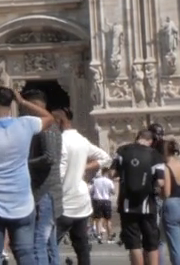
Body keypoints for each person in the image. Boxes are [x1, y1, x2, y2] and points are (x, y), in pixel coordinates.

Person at [0, 88, 53, 265]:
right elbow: (49, 118)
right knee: (26, 253)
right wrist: (23, 102)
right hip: (22, 201)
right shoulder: (25, 124)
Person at [55, 109, 108, 265]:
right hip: (82, 202)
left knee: (49, 244)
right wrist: (83, 167)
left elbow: (60, 172)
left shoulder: (61, 141)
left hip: (65, 201)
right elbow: (105, 158)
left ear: (59, 122)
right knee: (82, 246)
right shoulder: (82, 140)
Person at [18, 89, 62, 265]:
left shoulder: (47, 128)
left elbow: (49, 157)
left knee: (38, 243)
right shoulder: (44, 127)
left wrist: (24, 163)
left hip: (46, 193)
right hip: (45, 193)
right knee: (50, 244)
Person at [109, 126, 163, 265]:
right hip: (147, 204)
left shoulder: (122, 151)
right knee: (151, 244)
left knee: (134, 244)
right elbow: (161, 182)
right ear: (150, 140)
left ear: (137, 137)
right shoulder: (155, 154)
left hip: (127, 205)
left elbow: (112, 174)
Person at [158, 141, 180, 265]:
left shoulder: (167, 167)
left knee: (175, 248)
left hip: (172, 204)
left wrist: (159, 189)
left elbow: (167, 192)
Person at [89, 172, 116, 246]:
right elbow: (113, 192)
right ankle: (109, 237)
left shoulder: (95, 181)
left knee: (98, 219)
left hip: (97, 201)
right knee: (108, 220)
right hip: (106, 201)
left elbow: (91, 192)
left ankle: (99, 236)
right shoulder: (109, 181)